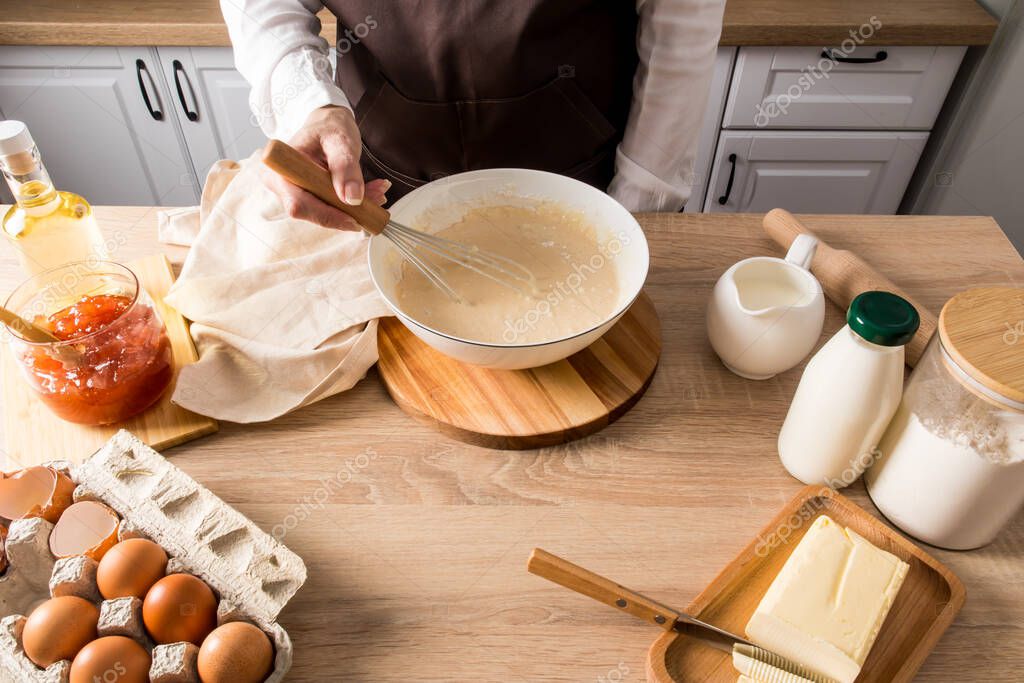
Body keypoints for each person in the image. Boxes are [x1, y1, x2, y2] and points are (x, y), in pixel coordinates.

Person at [222, 0, 726, 231]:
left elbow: (682, 22)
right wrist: (307, 103)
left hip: (583, 182)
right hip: (384, 188)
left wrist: (638, 207)